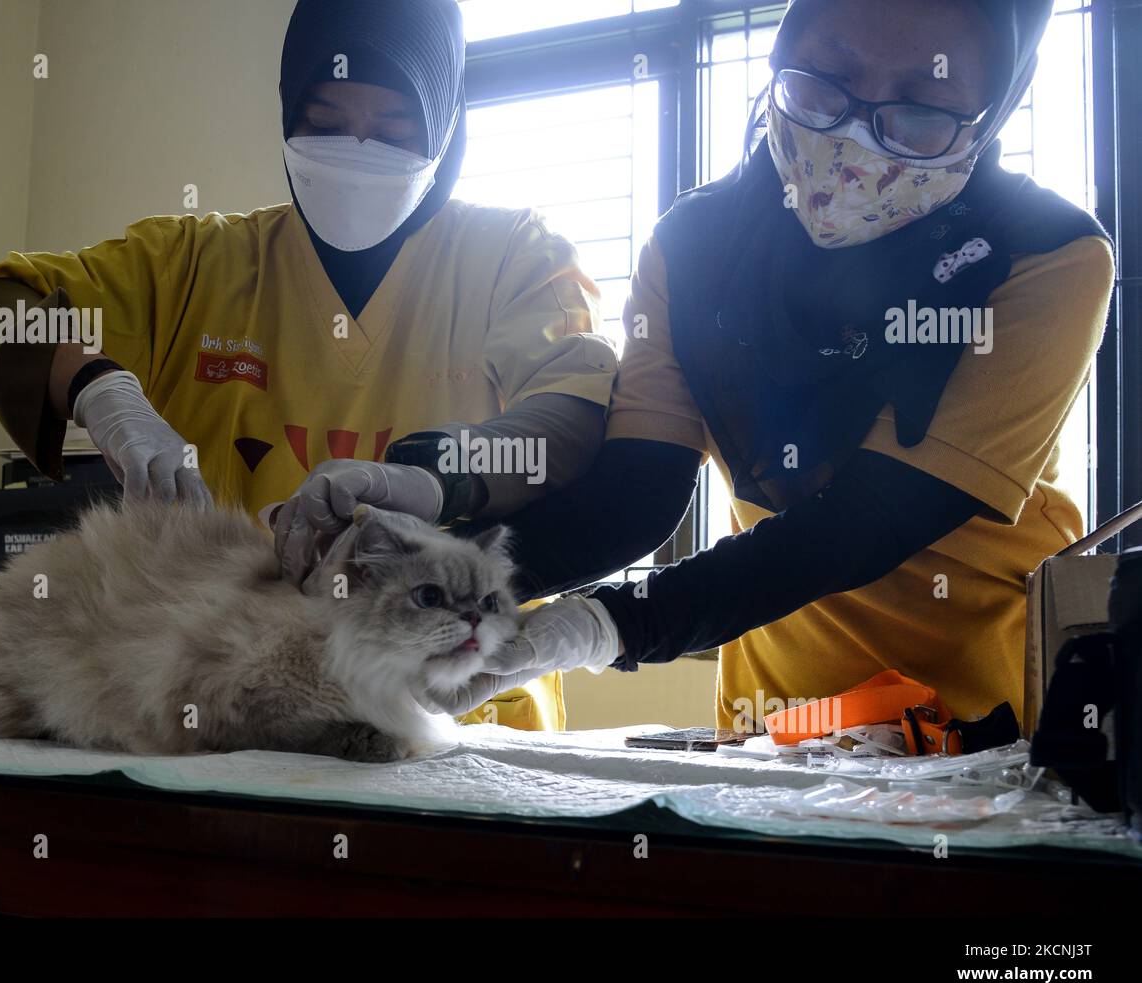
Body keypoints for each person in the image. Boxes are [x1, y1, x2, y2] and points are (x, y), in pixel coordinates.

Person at [420, 0, 1115, 733]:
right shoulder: (694, 248)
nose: (855, 136)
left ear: (990, 113)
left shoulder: (1045, 257)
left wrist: (611, 624)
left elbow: (871, 521)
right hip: (776, 726)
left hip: (987, 724)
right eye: (826, 80)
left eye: (919, 109)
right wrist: (434, 578)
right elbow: (636, 492)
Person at [0, 0, 618, 732]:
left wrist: (435, 475)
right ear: (287, 115)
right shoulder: (196, 265)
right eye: (324, 122)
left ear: (446, 126)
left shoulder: (511, 261)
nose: (357, 148)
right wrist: (104, 391)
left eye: (395, 130)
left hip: (462, 709)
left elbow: (572, 419)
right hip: (229, 702)